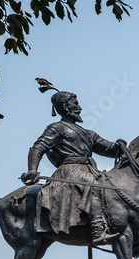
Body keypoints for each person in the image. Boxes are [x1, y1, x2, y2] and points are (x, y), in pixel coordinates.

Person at [21, 88, 127, 244]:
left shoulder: (88, 133)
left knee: (109, 184)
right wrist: (32, 169)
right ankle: (98, 231)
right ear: (65, 107)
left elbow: (108, 149)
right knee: (94, 184)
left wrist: (119, 146)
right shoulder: (56, 128)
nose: (80, 107)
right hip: (70, 170)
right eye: (75, 103)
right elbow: (39, 146)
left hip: (88, 169)